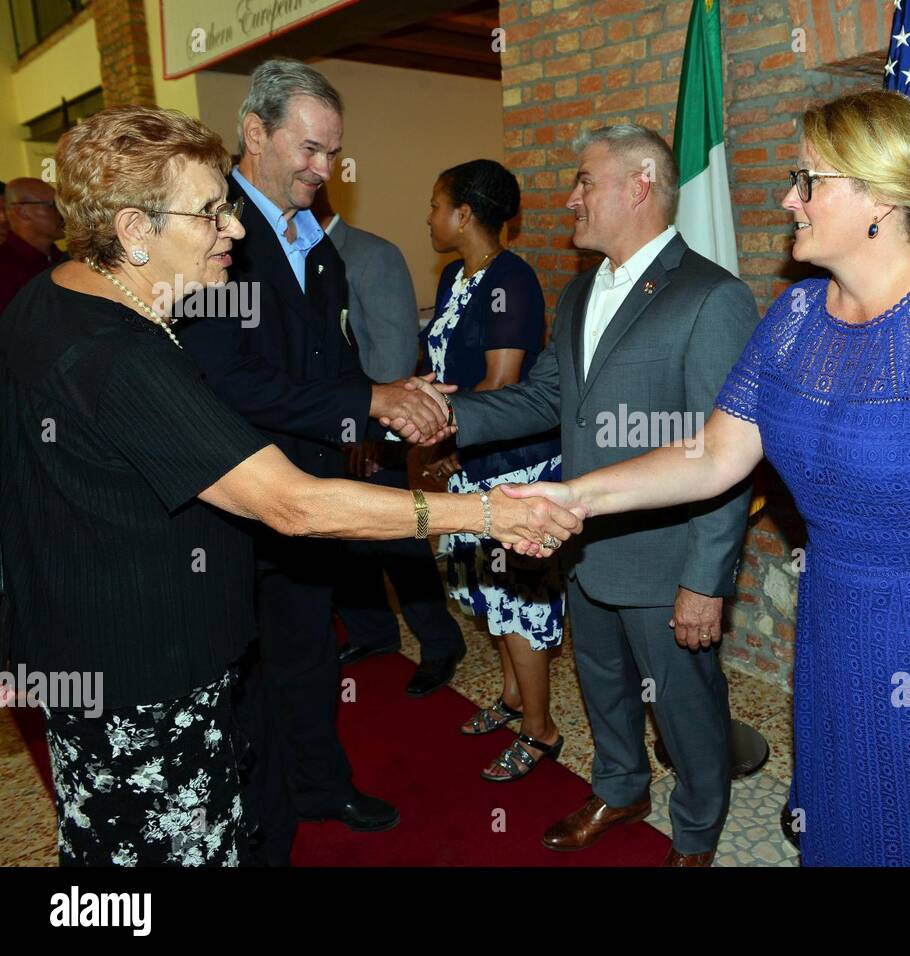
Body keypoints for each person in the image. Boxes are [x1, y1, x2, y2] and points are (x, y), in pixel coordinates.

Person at [506, 91, 910, 867]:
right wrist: (576, 497)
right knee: (859, 820)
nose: (789, 199)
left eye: (809, 181)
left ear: (880, 198)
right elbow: (714, 454)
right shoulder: (794, 318)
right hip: (840, 626)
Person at [0, 104, 579, 866]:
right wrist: (484, 512)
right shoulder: (118, 357)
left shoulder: (50, 301)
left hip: (99, 656)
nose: (234, 230)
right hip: (145, 683)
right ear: (135, 229)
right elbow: (292, 503)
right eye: (210, 213)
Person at [422, 126, 758, 864]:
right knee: (602, 683)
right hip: (583, 543)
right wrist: (448, 415)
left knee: (684, 705)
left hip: (665, 558)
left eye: (585, 182)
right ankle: (620, 786)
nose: (570, 198)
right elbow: (547, 398)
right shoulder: (579, 292)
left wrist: (706, 579)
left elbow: (726, 454)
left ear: (639, 186)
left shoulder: (712, 296)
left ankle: (697, 831)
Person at [176, 58, 463, 863]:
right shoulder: (217, 234)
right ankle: (255, 814)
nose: (324, 169)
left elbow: (325, 364)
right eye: (308, 149)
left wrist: (390, 398)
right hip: (236, 498)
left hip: (310, 489)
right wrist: (369, 399)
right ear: (254, 132)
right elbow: (228, 380)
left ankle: (319, 784)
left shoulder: (316, 241)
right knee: (239, 673)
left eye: (333, 153)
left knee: (305, 653)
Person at [411, 159, 565, 781]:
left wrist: (445, 435)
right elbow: (450, 365)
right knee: (488, 592)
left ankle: (541, 729)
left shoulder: (512, 279)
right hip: (467, 451)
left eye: (435, 205)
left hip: (510, 461)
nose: (429, 217)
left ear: (464, 213)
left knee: (516, 599)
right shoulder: (456, 275)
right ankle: (510, 697)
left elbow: (502, 382)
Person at [312, 185, 467, 698]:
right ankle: (372, 631)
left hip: (376, 428)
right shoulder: (304, 257)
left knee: (400, 535)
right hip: (326, 424)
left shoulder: (371, 254)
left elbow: (395, 353)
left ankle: (441, 642)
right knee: (346, 536)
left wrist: (370, 433)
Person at [0, 177, 67, 313]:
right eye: (52, 205)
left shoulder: (63, 260)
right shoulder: (5, 270)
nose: (63, 213)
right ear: (22, 213)